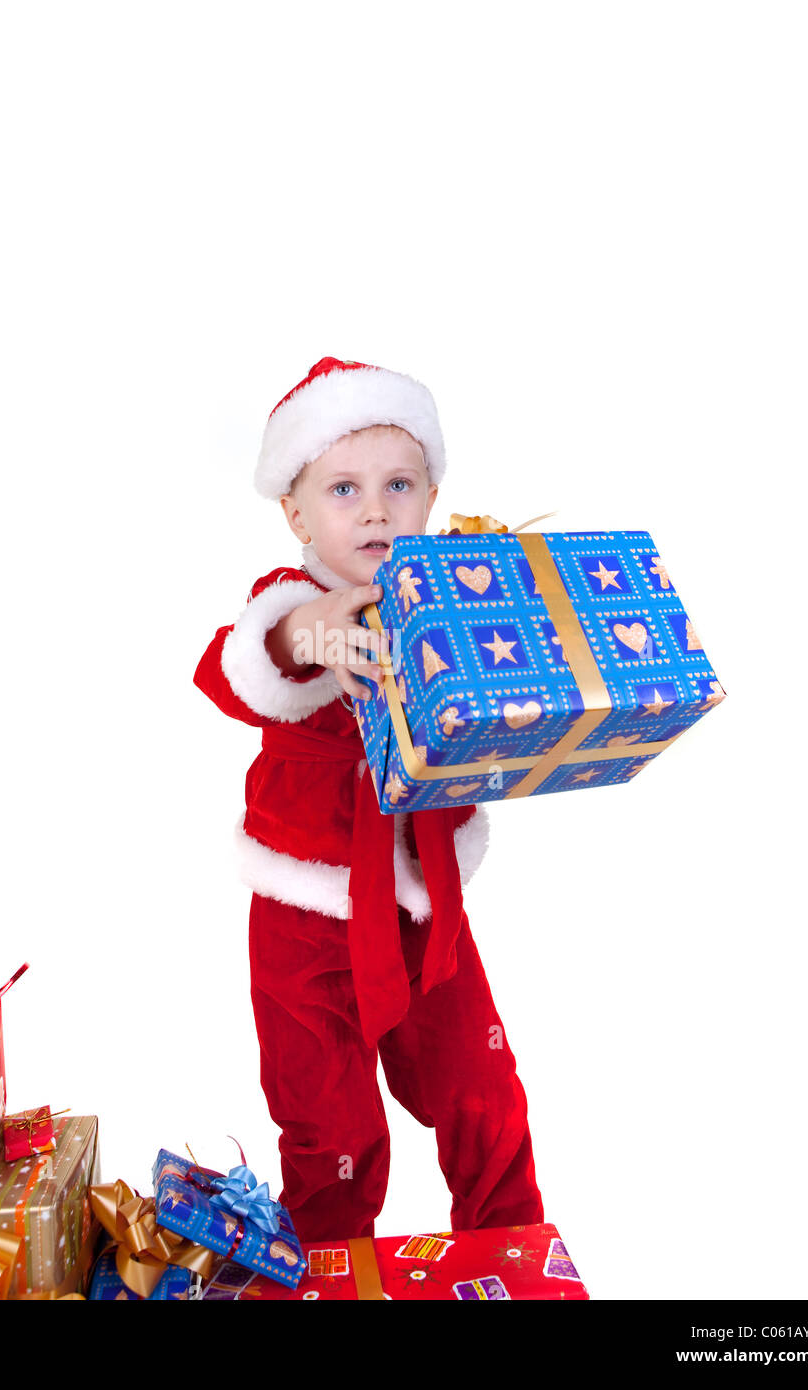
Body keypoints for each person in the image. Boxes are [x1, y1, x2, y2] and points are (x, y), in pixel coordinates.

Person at [193, 356, 544, 1240]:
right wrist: (308, 634)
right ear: (296, 512)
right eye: (344, 489)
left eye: (399, 483)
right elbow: (238, 666)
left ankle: (513, 1247)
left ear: (432, 496)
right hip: (305, 915)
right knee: (330, 1122)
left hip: (425, 907)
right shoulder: (294, 600)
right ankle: (327, 1259)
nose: (377, 509)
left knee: (481, 1089)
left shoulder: (454, 595)